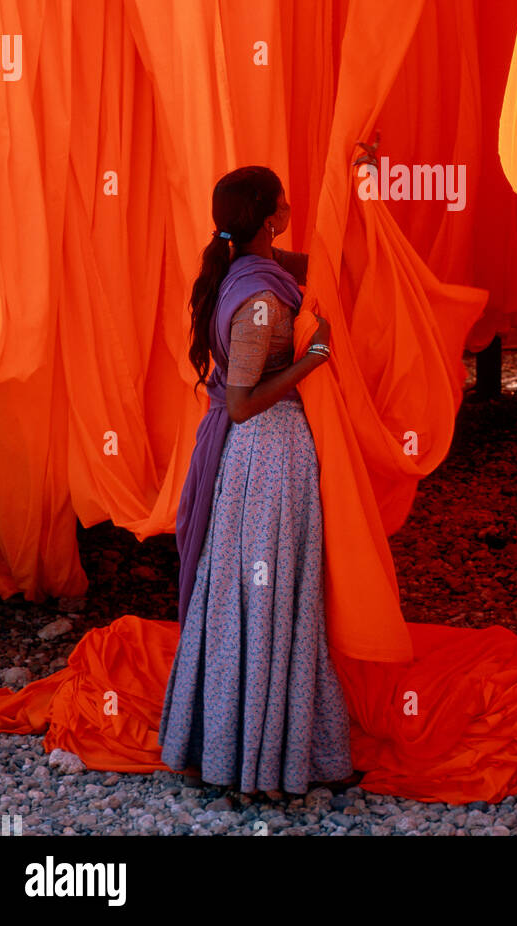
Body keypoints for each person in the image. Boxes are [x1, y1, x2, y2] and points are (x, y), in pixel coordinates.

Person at [159, 165, 355, 795]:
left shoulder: (258, 269)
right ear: (270, 216)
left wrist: (356, 181)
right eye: (285, 201)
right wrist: (314, 360)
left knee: (253, 600)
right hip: (266, 455)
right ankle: (259, 759)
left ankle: (243, 745)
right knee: (267, 603)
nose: (293, 208)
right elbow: (242, 402)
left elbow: (326, 258)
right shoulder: (260, 297)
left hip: (261, 459)